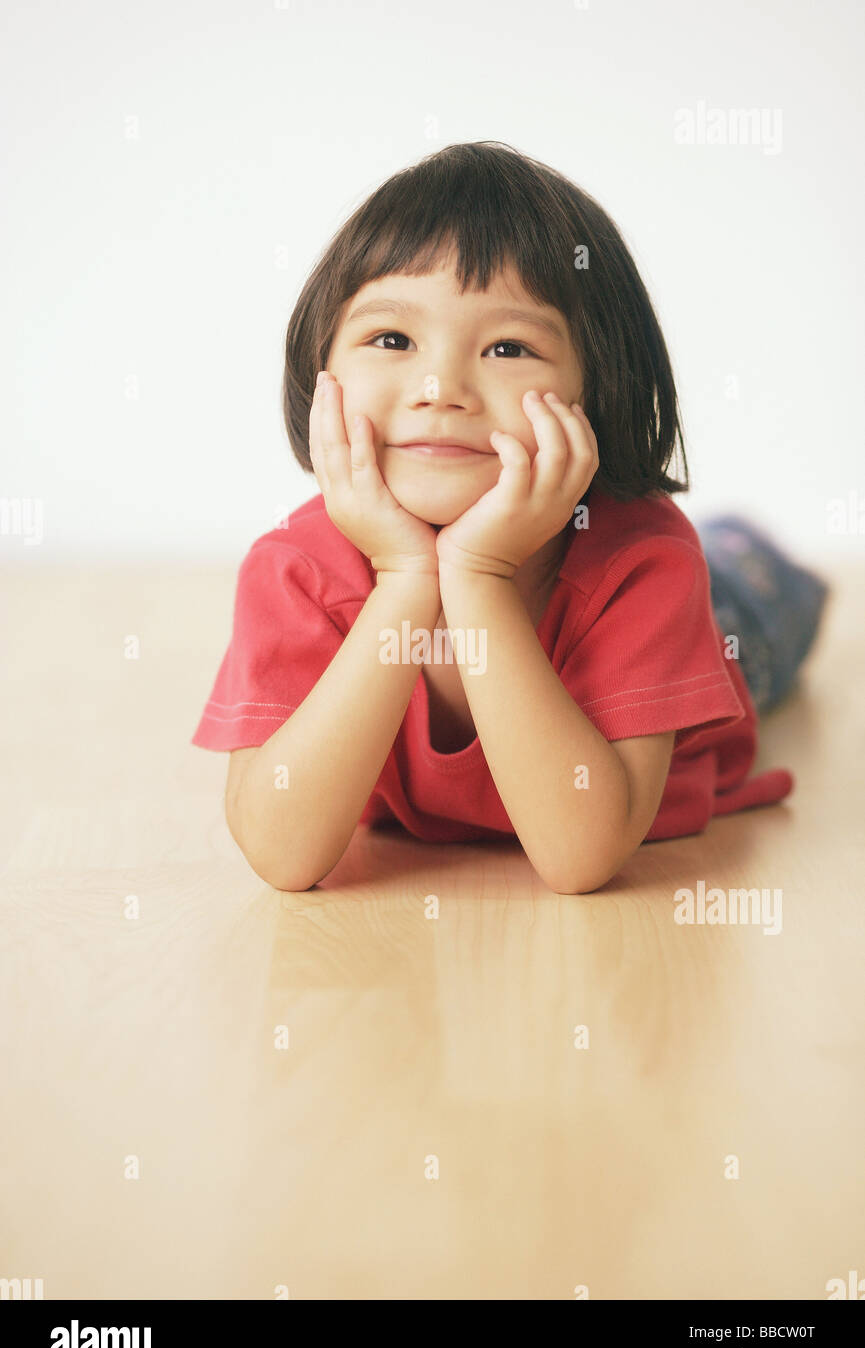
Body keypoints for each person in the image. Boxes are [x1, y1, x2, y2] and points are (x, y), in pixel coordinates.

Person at [190, 141, 828, 894]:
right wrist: (404, 579)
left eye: (507, 346)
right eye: (391, 339)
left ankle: (748, 550)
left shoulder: (644, 561)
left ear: (599, 389)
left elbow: (578, 857)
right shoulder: (294, 567)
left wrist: (478, 575)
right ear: (320, 371)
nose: (440, 388)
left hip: (718, 620)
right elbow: (282, 854)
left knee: (744, 592)